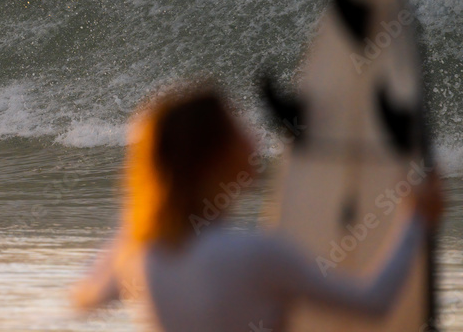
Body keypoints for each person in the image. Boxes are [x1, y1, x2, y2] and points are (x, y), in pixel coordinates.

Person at [71, 84, 442, 332]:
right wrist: (417, 219)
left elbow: (86, 295)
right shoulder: (256, 253)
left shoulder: (144, 253)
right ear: (214, 157)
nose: (254, 137)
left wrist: (146, 204)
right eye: (238, 128)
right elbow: (373, 302)